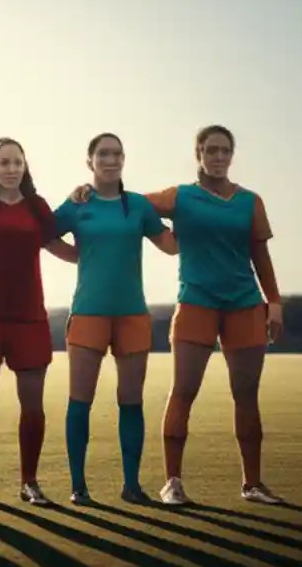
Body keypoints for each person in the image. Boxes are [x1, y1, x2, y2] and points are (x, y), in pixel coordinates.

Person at [77, 125, 284, 505]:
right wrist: (89, 191)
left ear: (231, 156)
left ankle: (252, 484)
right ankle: (172, 482)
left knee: (246, 395)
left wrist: (274, 301)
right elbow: (131, 200)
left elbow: (261, 255)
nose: (219, 157)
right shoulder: (181, 197)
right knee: (184, 392)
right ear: (199, 154)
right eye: (211, 151)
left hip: (245, 305)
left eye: (225, 151)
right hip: (196, 304)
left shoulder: (250, 202)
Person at [53, 133, 176, 506]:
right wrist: (78, 256)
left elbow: (172, 246)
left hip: (132, 315)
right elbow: (43, 234)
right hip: (89, 312)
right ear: (89, 161)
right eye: (103, 154)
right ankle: (78, 487)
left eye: (117, 154)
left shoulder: (137, 206)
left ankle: (131, 486)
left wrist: (197, 215)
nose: (111, 159)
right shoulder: (77, 204)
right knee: (81, 400)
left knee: (131, 400)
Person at [0, 138, 77, 507]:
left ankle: (29, 483)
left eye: (17, 162)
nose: (11, 168)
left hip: (29, 319)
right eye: (4, 162)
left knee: (33, 407)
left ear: (25, 167)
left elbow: (58, 246)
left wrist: (102, 252)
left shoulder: (36, 208)